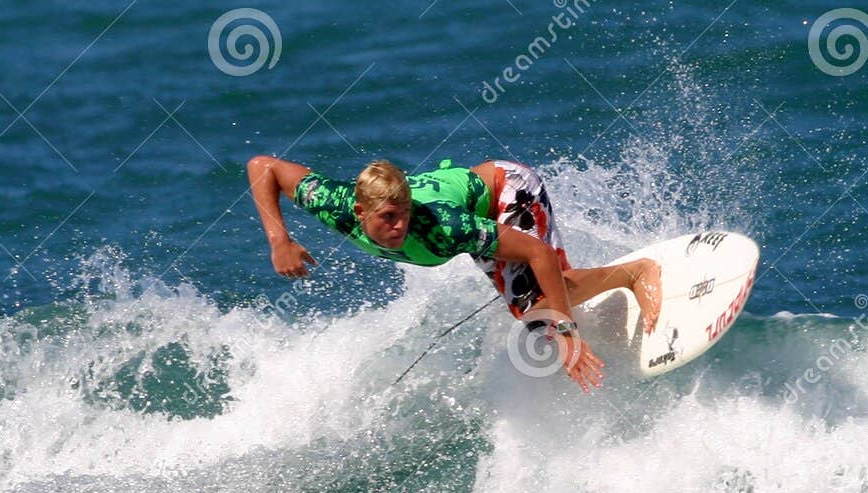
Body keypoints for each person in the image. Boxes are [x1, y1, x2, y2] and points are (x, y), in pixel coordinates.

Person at [245, 155, 662, 391]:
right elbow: (263, 166)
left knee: (542, 306)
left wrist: (568, 332)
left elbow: (538, 254)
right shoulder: (335, 203)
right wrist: (279, 240)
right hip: (475, 217)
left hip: (507, 190)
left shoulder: (442, 227)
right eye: (388, 217)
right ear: (359, 212)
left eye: (404, 216)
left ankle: (633, 273)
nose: (400, 227)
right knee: (536, 314)